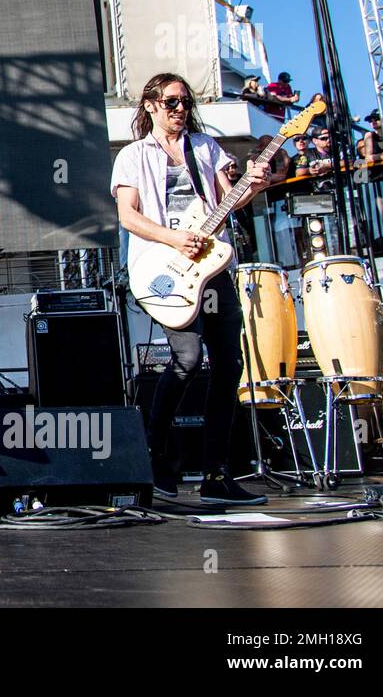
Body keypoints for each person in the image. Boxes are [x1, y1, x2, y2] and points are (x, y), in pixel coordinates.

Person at [111, 72, 271, 505]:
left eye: (185, 102)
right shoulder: (132, 156)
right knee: (187, 356)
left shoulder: (205, 148)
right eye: (171, 102)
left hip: (214, 267)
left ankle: (217, 476)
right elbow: (129, 216)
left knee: (228, 363)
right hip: (167, 264)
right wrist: (173, 238)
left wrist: (253, 185)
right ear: (150, 106)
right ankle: (154, 454)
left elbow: (230, 201)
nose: (180, 109)